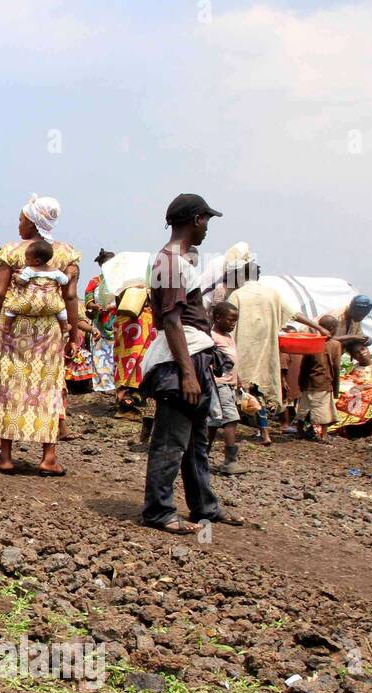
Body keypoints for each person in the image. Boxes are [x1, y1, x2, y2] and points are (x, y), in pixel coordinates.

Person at [140, 194, 244, 534]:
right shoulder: (169, 263)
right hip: (181, 360)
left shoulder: (179, 262)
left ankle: (205, 507)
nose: (207, 230)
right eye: (206, 221)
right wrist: (187, 373)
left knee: (196, 441)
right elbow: (171, 321)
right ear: (196, 219)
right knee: (171, 441)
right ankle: (159, 511)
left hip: (195, 357)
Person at [0, 196, 80, 476]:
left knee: (8, 387)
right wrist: (74, 334)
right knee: (48, 389)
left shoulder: (12, 251)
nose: (18, 224)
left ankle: (6, 457)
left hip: (14, 329)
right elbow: (71, 295)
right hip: (49, 330)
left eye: (21, 219)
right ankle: (48, 458)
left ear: (33, 222)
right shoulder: (66, 254)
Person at [217, 242, 328, 416]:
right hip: (265, 350)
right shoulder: (272, 293)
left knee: (240, 385)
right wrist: (319, 327)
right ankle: (262, 425)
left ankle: (238, 419)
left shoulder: (236, 295)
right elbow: (294, 314)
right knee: (263, 386)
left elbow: (225, 326)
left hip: (242, 350)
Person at [207, 301, 245, 475]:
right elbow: (209, 360)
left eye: (235, 321)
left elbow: (230, 360)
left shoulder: (228, 337)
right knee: (231, 418)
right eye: (230, 320)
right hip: (218, 383)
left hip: (228, 384)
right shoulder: (212, 336)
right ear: (217, 318)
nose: (233, 324)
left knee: (213, 422)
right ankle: (230, 461)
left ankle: (201, 456)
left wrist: (237, 377)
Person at [297, 315, 343, 441]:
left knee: (304, 407)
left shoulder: (312, 342)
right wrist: (336, 388)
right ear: (333, 328)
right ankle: (324, 435)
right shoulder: (336, 345)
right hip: (324, 382)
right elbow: (336, 367)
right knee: (323, 410)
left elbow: (304, 365)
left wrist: (301, 381)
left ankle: (300, 430)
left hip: (309, 382)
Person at [88, 249, 118, 393]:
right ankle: (104, 386)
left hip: (118, 322)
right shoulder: (95, 282)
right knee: (101, 355)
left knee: (117, 353)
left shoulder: (122, 280)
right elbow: (88, 302)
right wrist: (95, 306)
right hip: (100, 323)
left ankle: (120, 385)